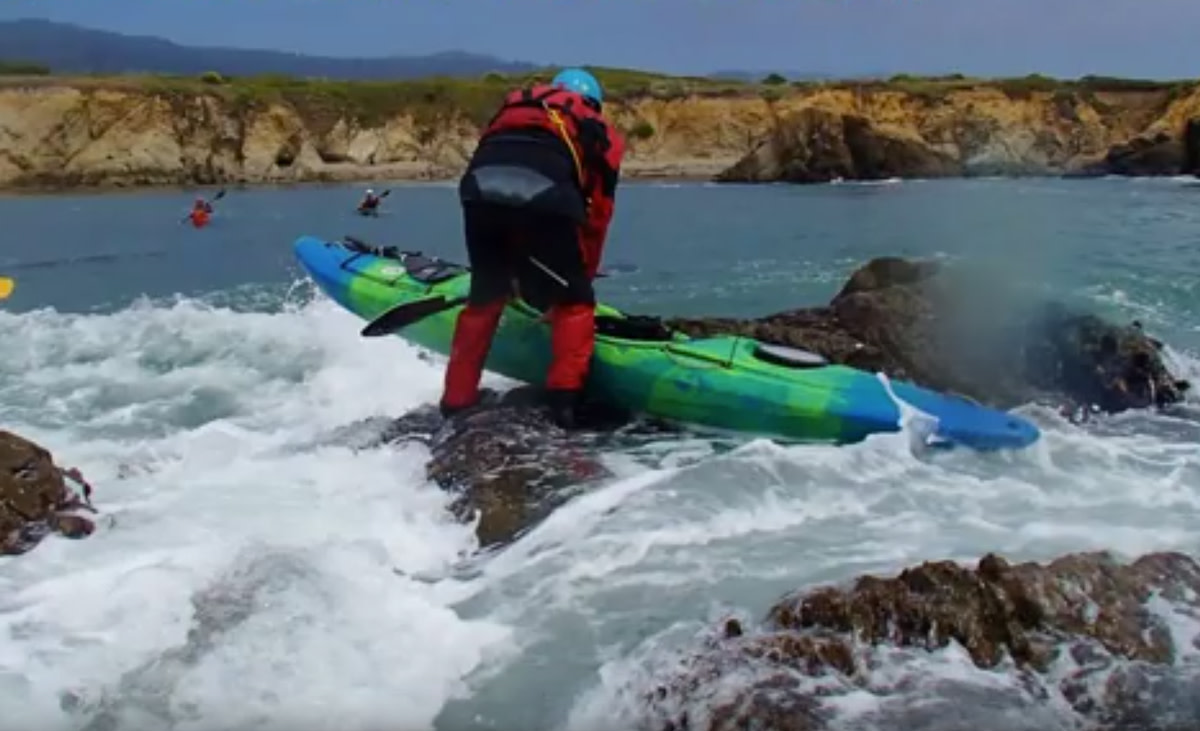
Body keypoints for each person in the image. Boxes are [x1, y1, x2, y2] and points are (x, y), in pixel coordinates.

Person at [439, 67, 626, 428]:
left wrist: (512, 271)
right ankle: (564, 406)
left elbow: (503, 173)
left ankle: (455, 403)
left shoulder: (514, 110)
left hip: (477, 192)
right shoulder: (597, 129)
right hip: (546, 196)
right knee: (575, 302)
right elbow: (598, 214)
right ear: (595, 104)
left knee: (484, 298)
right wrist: (576, 282)